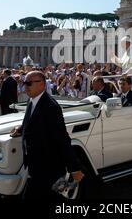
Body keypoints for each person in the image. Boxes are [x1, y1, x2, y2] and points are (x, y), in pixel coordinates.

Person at [10, 71, 84, 199]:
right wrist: (21, 129)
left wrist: (75, 168)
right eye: (24, 83)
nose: (25, 86)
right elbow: (32, 121)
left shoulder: (51, 107)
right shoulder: (32, 100)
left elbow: (62, 139)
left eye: (29, 83)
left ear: (42, 85)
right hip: (36, 165)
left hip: (49, 167)